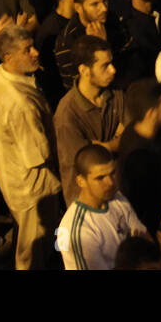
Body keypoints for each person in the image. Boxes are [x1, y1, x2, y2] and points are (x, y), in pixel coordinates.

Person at [0, 24, 63, 270]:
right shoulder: (21, 104)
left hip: (13, 178)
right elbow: (40, 154)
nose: (35, 52)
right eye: (27, 50)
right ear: (8, 57)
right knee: (32, 253)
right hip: (33, 189)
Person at [53, 36, 124, 204]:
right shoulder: (67, 114)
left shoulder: (117, 95)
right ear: (84, 70)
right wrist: (117, 141)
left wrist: (105, 146)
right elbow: (88, 163)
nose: (113, 70)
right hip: (87, 203)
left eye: (111, 63)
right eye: (105, 66)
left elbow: (131, 137)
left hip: (115, 196)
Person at [56, 144, 150, 270]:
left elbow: (145, 241)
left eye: (112, 173)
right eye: (100, 178)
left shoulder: (117, 198)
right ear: (81, 181)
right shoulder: (74, 231)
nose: (110, 183)